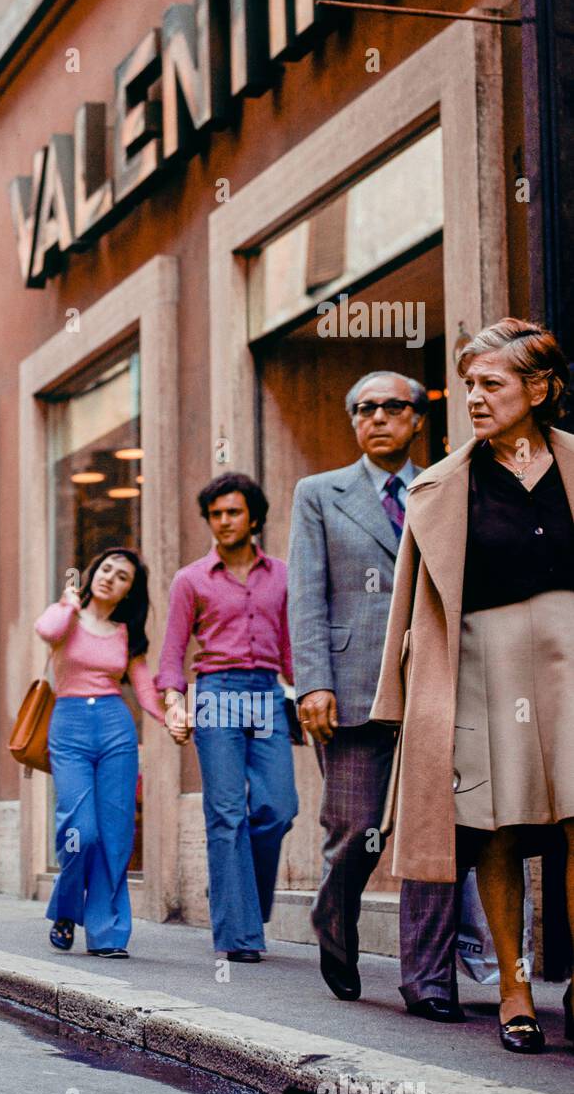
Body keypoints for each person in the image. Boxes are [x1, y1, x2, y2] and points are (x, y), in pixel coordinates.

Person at [371, 319, 574, 1055]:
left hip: (571, 659)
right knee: (496, 831)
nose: (476, 399)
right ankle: (514, 990)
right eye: (469, 386)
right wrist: (399, 704)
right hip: (481, 666)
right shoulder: (443, 486)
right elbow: (410, 609)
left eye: (492, 384)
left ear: (540, 388)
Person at [289, 372, 463, 1019]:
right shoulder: (318, 494)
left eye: (393, 407)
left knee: (430, 833)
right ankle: (334, 921)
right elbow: (305, 594)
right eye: (364, 408)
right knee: (355, 830)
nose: (378, 417)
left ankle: (429, 983)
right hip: (352, 687)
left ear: (419, 419)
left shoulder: (445, 488)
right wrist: (313, 683)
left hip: (433, 685)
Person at [158, 474, 297, 963]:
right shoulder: (190, 579)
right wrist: (175, 704)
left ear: (253, 517)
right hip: (216, 694)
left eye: (233, 512)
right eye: (216, 514)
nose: (224, 522)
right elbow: (172, 653)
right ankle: (238, 936)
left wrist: (312, 693)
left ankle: (245, 902)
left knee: (278, 808)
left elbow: (291, 647)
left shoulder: (281, 574)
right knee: (225, 813)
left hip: (266, 693)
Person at [35, 549, 163, 958]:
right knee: (80, 832)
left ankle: (107, 933)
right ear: (93, 573)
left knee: (114, 835)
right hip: (69, 727)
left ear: (129, 590)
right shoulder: (66, 617)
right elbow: (46, 630)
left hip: (115, 729)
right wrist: (70, 601)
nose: (111, 577)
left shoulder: (127, 633)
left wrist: (173, 718)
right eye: (106, 569)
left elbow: (144, 688)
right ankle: (67, 907)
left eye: (122, 576)